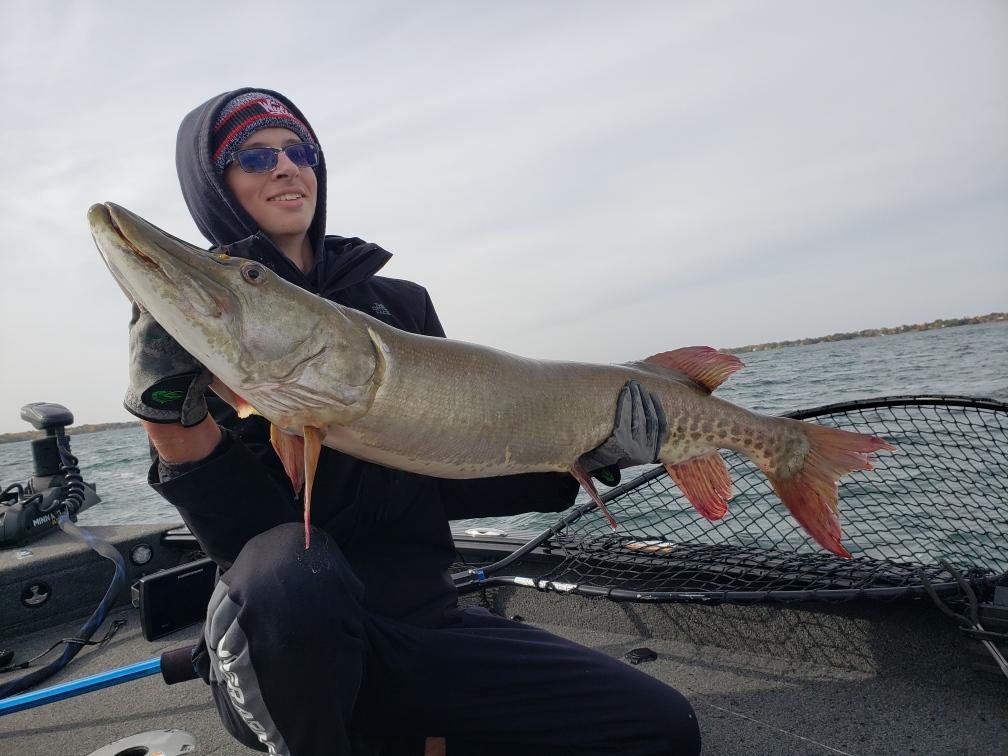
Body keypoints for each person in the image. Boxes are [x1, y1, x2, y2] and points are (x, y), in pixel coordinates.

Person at [127, 87, 701, 756]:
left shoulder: (399, 303)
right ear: (213, 185)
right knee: (293, 569)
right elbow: (250, 542)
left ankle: (414, 737)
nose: (286, 167)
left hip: (423, 618)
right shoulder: (207, 317)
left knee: (659, 730)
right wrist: (171, 422)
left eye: (300, 151)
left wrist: (588, 451)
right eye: (253, 156)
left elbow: (443, 478)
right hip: (286, 643)